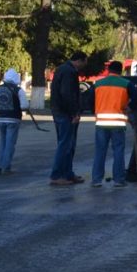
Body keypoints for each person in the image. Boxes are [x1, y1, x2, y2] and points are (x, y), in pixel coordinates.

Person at [86, 60, 137, 188]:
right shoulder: (125, 84)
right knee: (118, 151)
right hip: (118, 123)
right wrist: (130, 107)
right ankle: (118, 180)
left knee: (100, 152)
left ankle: (96, 180)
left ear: (109, 70)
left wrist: (94, 110)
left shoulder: (98, 84)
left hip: (101, 123)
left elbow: (89, 100)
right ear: (121, 71)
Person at [48, 51, 87, 186]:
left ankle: (68, 174)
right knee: (65, 144)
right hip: (65, 114)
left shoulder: (61, 69)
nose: (84, 66)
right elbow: (68, 94)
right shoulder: (70, 72)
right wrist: (74, 113)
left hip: (58, 111)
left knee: (67, 144)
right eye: (84, 62)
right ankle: (57, 175)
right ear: (79, 61)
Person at [0, 68, 27, 175]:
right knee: (10, 144)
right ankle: (6, 167)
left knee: (2, 142)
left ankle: (0, 165)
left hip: (0, 118)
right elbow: (24, 106)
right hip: (13, 119)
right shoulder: (18, 90)